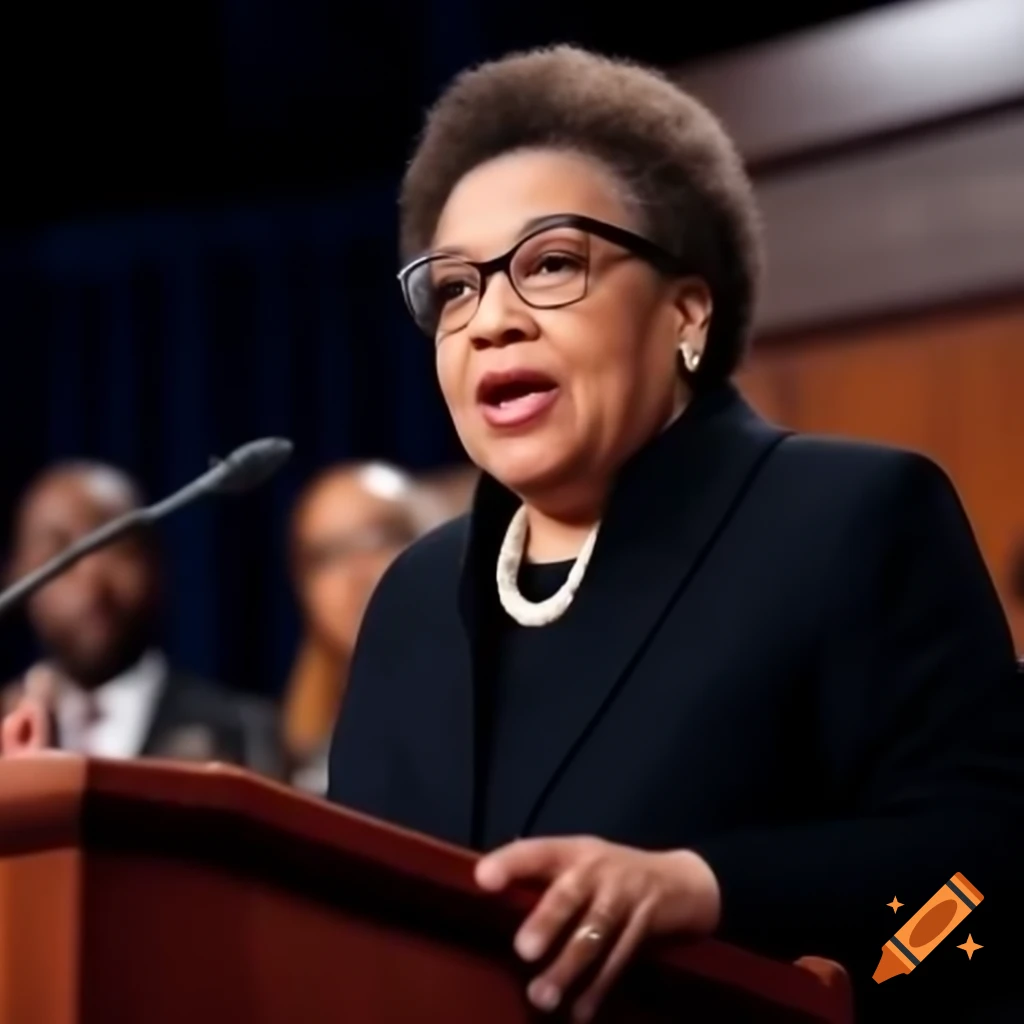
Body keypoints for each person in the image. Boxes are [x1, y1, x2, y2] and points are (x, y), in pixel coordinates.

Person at [326, 46, 1024, 1022]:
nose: (490, 319)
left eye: (552, 264)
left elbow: (985, 887)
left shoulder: (847, 518)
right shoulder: (413, 598)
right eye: (453, 289)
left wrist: (711, 889)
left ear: (686, 311)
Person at [1, 461, 286, 777]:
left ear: (157, 565)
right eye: (59, 550)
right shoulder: (6, 722)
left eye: (116, 545)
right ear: (16, 573)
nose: (92, 576)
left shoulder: (240, 730)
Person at [284, 461, 446, 788]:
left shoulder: (494, 708)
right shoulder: (285, 740)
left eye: (376, 539)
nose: (355, 573)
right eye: (327, 555)